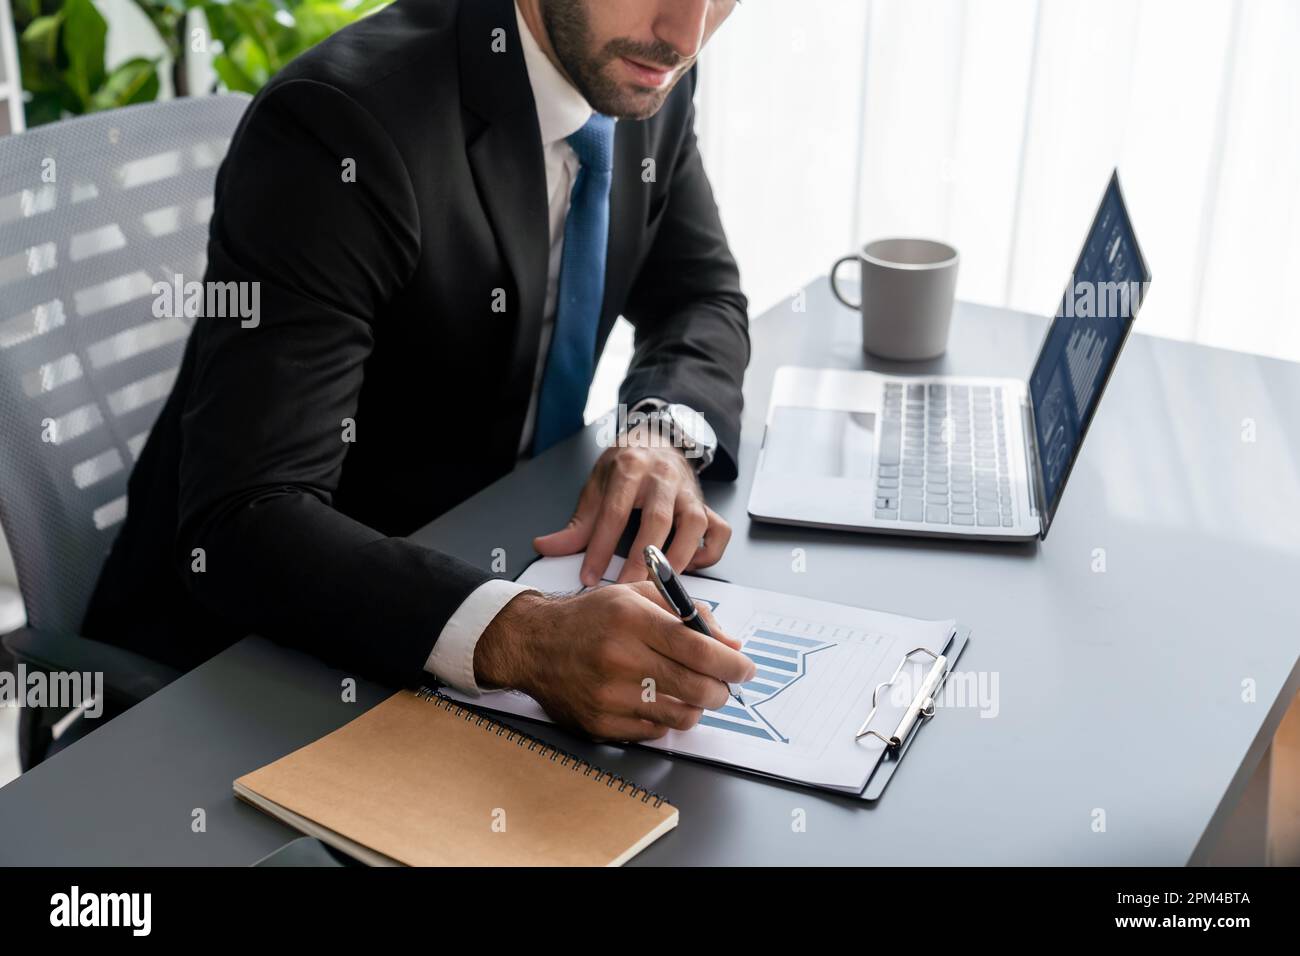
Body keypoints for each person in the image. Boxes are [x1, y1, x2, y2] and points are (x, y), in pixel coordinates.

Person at [84, 0, 755, 742]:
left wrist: (662, 431)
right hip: (250, 674)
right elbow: (249, 517)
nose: (686, 34)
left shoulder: (639, 68)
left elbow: (699, 293)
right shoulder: (338, 126)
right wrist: (525, 637)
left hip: (498, 568)